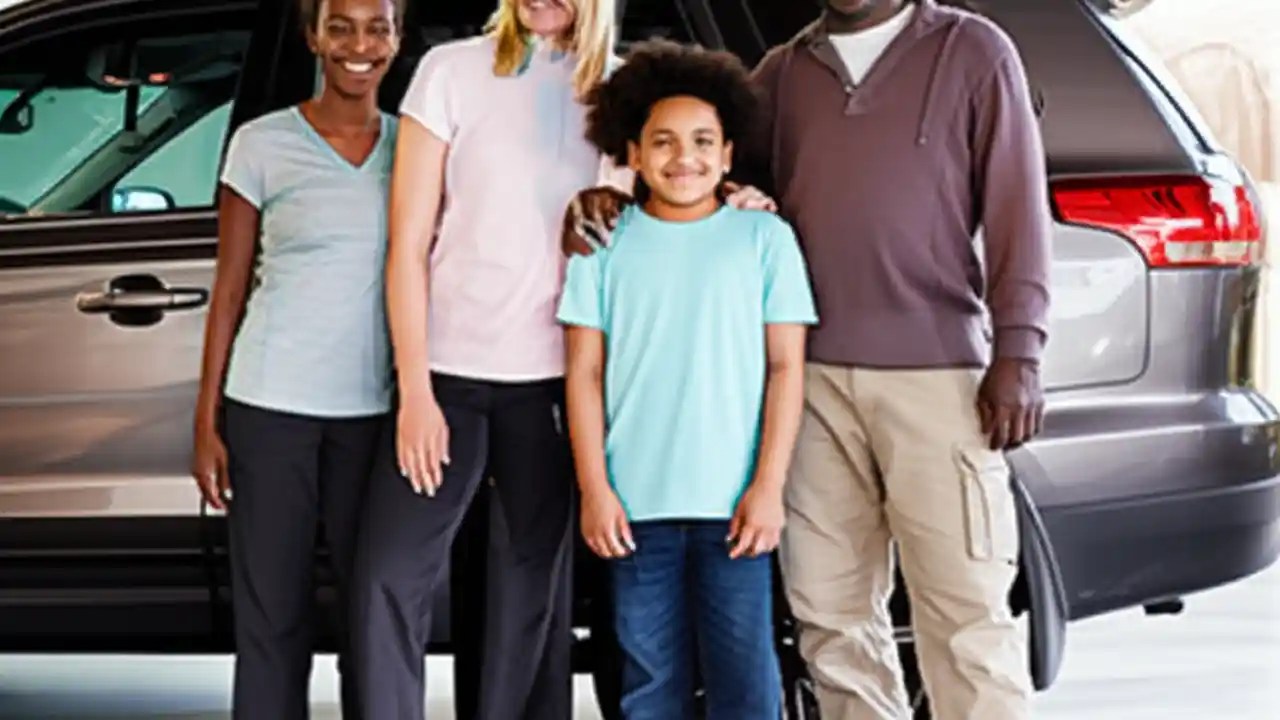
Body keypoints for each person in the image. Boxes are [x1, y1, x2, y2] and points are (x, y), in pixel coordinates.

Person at [564, 1, 1053, 718]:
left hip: (937, 376)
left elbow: (1018, 205)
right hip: (810, 383)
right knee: (832, 615)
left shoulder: (972, 51)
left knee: (966, 610)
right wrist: (607, 199)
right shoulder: (783, 74)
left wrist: (1021, 349)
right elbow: (698, 186)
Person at [558, 39, 818, 719]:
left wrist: (768, 488)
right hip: (633, 509)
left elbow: (786, 368)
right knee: (648, 685)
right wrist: (596, 491)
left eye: (703, 141)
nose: (684, 158)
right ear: (633, 154)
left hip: (736, 510)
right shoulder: (602, 246)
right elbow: (584, 373)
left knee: (747, 682)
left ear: (728, 155)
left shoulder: (765, 240)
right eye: (663, 142)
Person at [189, 0, 403, 717]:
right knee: (273, 619)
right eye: (340, 26)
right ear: (313, 36)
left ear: (397, 38)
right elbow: (228, 290)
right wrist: (206, 422)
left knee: (369, 620)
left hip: (373, 413)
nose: (358, 44)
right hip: (269, 407)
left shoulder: (414, 147)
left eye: (377, 26)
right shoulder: (261, 144)